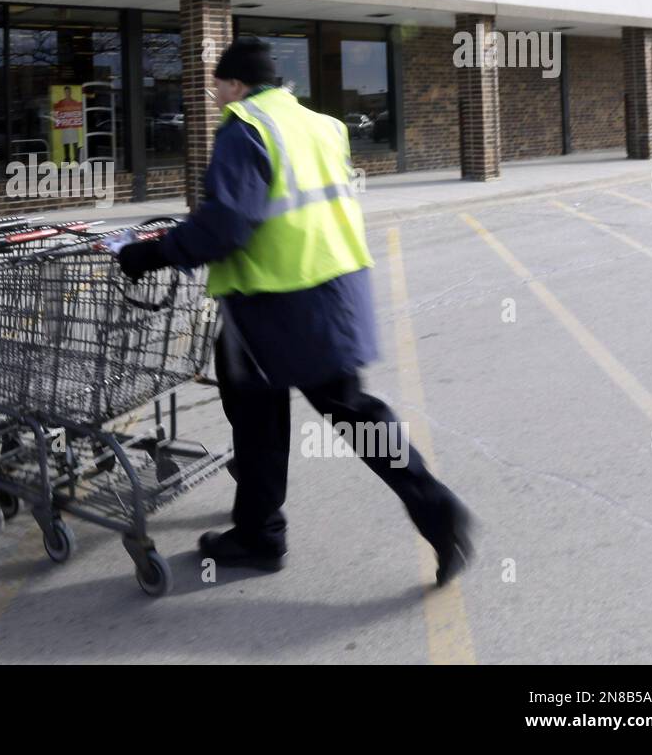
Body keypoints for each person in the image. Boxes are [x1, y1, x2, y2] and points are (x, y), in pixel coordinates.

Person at [116, 36, 474, 585]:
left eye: (217, 85)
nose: (215, 95)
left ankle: (260, 536)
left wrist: (149, 253)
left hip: (270, 304)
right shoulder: (321, 124)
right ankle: (436, 509)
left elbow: (228, 226)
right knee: (354, 412)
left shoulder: (246, 127)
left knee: (258, 424)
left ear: (235, 84)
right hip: (335, 291)